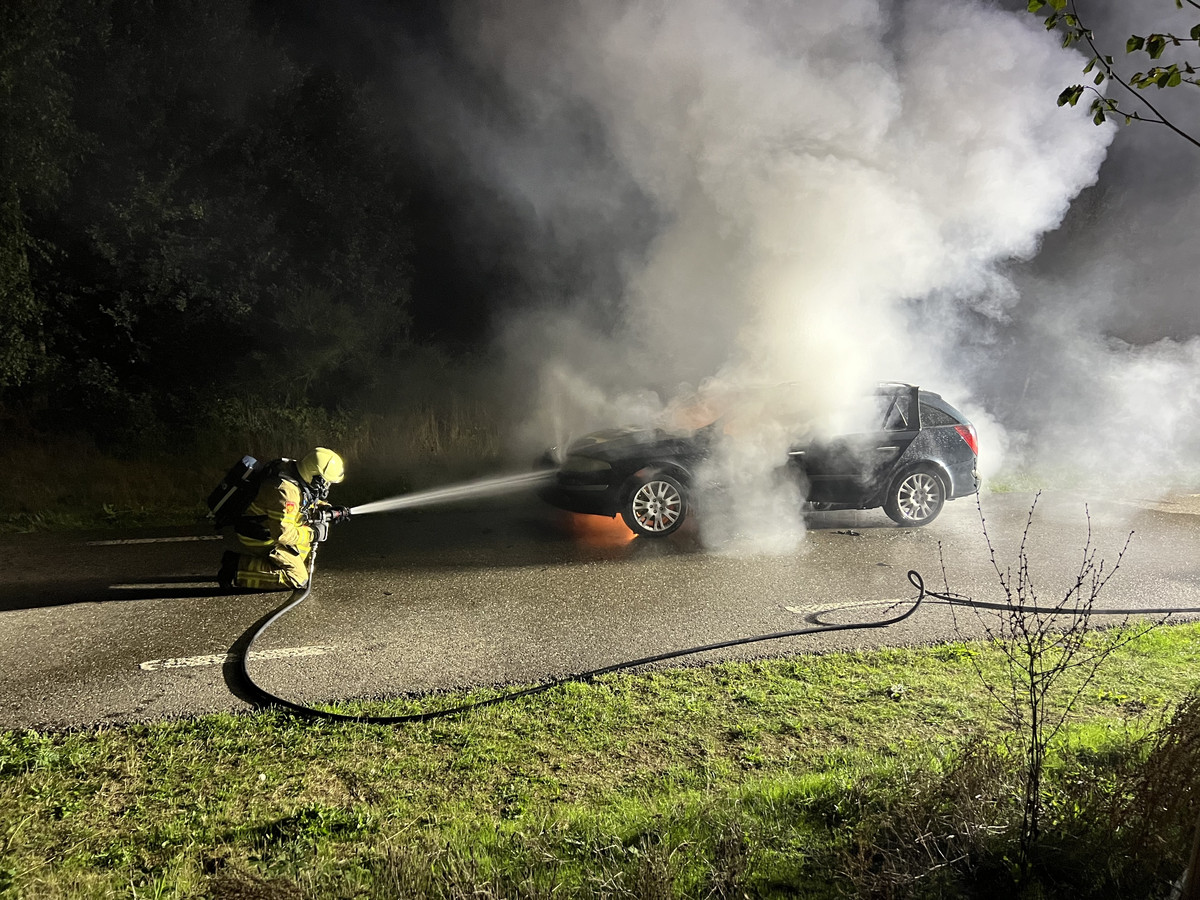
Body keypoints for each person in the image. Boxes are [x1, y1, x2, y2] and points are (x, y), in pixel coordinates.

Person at [217, 447, 349, 591]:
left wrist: (326, 508)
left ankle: (287, 562)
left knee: (302, 550)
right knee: (298, 577)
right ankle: (236, 567)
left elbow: (306, 499)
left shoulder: (295, 471)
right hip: (260, 536)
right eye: (326, 482)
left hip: (268, 526)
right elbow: (283, 534)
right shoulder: (286, 491)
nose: (327, 486)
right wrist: (314, 533)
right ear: (314, 475)